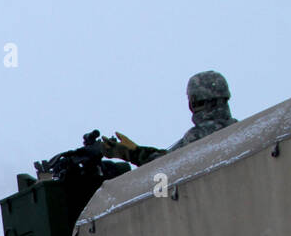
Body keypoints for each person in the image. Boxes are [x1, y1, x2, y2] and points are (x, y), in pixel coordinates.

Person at [99, 70, 238, 167]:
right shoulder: (239, 130)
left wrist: (129, 153)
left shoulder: (197, 137)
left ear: (194, 103)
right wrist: (136, 151)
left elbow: (163, 167)